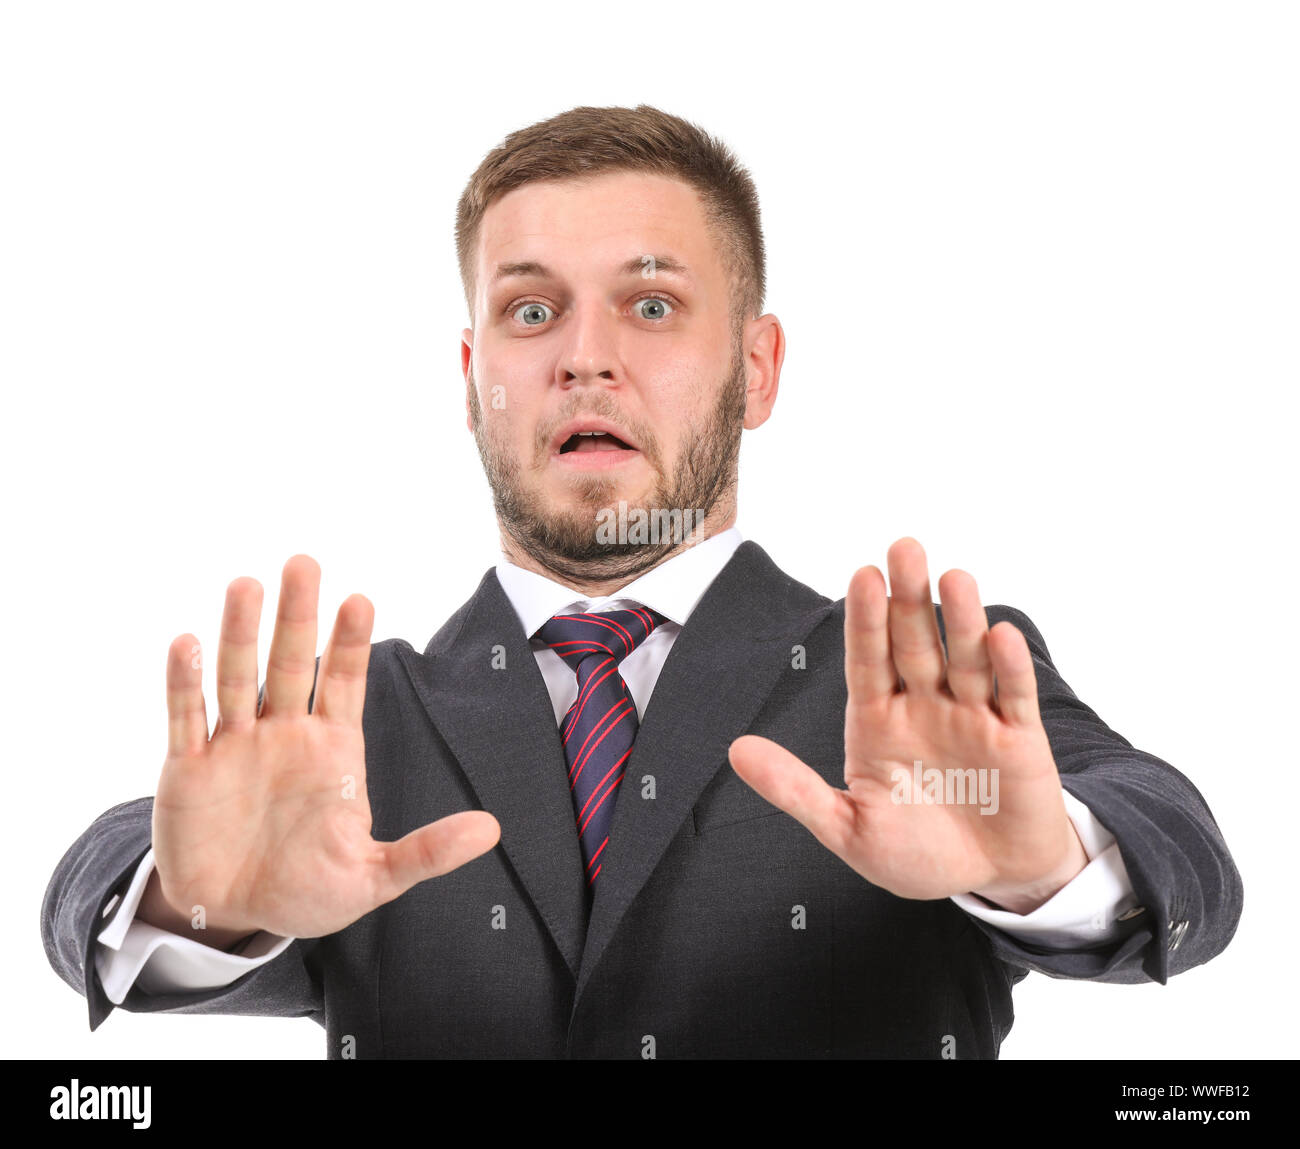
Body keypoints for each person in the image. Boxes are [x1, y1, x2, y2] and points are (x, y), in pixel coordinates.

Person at [42, 104, 1242, 1059]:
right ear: (473, 381)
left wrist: (1039, 867)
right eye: (529, 311)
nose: (583, 356)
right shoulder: (350, 729)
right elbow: (97, 884)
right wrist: (203, 908)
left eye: (651, 304)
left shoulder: (922, 686)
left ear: (757, 370)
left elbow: (1176, 842)